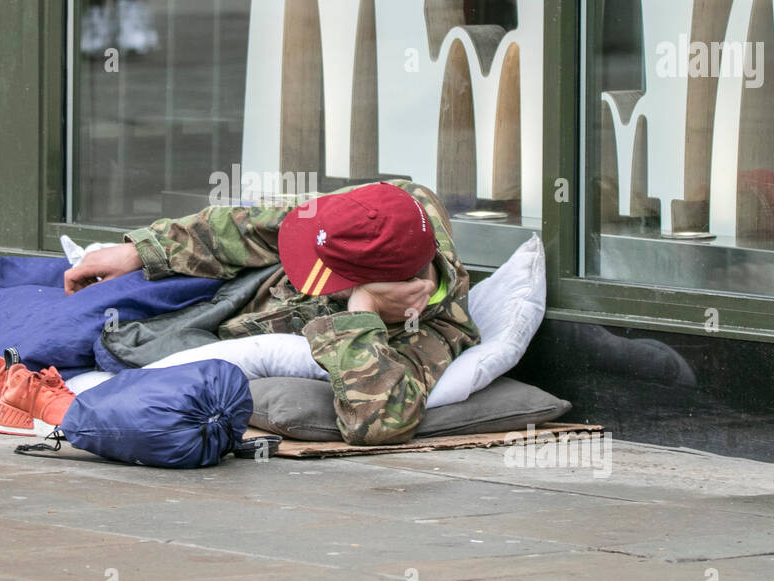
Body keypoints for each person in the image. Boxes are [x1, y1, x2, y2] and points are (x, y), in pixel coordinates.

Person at [62, 180, 480, 444]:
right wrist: (142, 250)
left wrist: (361, 314)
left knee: (57, 345)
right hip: (210, 281)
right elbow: (254, 225)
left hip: (194, 329)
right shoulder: (397, 207)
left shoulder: (432, 332)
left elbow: (379, 422)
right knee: (53, 304)